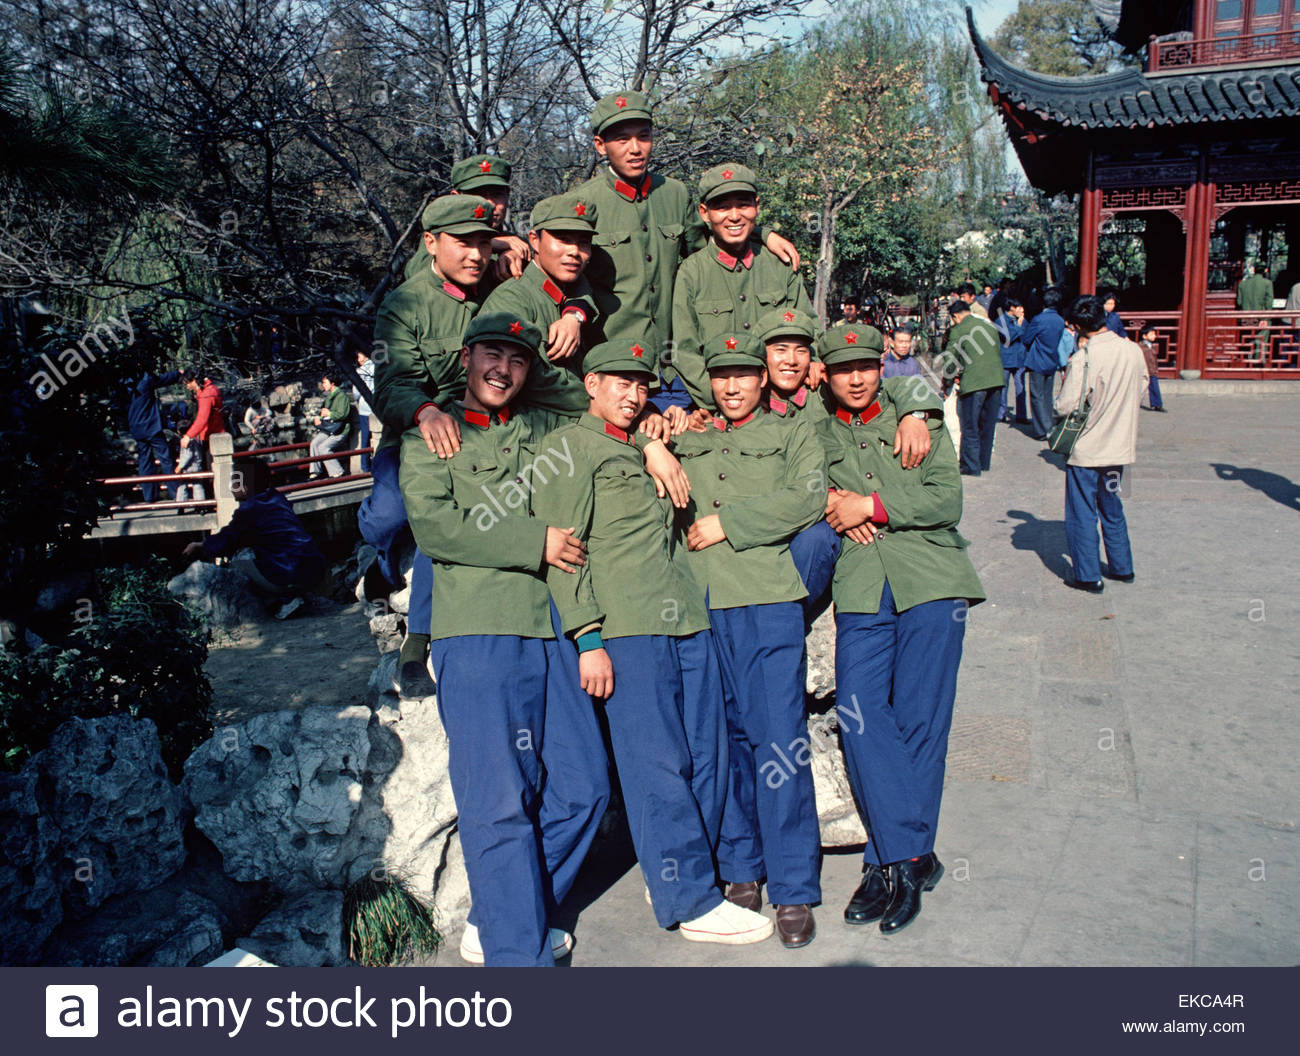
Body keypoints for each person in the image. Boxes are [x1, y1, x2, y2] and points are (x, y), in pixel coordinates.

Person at [534, 338, 775, 948]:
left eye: (641, 385)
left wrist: (651, 442)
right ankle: (688, 900)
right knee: (656, 767)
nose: (632, 393)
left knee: (707, 756)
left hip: (687, 618)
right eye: (619, 382)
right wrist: (588, 638)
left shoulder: (643, 444)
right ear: (590, 385)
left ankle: (687, 875)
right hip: (628, 625)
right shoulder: (569, 449)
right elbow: (564, 556)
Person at [397, 313, 612, 966]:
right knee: (498, 806)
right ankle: (520, 960)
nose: (503, 369)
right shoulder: (432, 437)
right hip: (478, 634)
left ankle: (503, 915)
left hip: (547, 629)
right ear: (465, 358)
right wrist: (533, 540)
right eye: (491, 354)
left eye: (518, 361)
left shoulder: (542, 432)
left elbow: (587, 396)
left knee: (585, 789)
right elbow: (439, 531)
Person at [815, 325, 984, 936]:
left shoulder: (920, 416)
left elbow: (946, 500)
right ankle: (913, 853)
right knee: (859, 711)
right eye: (842, 368)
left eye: (866, 365)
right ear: (824, 374)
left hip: (932, 576)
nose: (856, 378)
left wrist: (871, 505)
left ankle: (887, 866)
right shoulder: (816, 424)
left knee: (920, 720)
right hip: (862, 581)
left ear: (882, 364)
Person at [672, 332, 826, 949]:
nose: (732, 387)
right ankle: (741, 870)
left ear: (764, 379)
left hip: (764, 601)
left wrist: (727, 523)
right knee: (724, 741)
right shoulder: (689, 435)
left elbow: (808, 497)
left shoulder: (792, 432)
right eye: (720, 376)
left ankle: (792, 885)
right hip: (700, 605)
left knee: (779, 739)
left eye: (743, 375)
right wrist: (659, 447)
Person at [572, 90, 799, 408]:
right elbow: (565, 272)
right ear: (600, 145)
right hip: (616, 369)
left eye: (644, 136)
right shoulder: (584, 203)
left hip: (673, 372)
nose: (635, 149)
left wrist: (761, 233)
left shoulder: (675, 194)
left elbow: (712, 244)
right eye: (622, 139)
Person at [360, 193, 496, 699]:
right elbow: (392, 385)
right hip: (418, 430)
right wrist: (425, 410)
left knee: (445, 522)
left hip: (484, 437)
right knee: (392, 516)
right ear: (432, 244)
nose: (475, 255)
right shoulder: (405, 303)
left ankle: (417, 645)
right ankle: (378, 566)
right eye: (463, 243)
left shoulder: (499, 296)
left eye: (484, 243)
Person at [672, 163, 815, 408]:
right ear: (705, 213)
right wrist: (720, 399)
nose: (735, 215)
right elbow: (684, 353)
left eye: (743, 204)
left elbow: (809, 331)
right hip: (719, 408)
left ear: (757, 207)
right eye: (723, 207)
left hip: (783, 405)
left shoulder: (780, 264)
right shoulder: (691, 272)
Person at [1055, 295, 1146, 592]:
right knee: (1111, 506)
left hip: (1087, 449)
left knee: (1082, 511)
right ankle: (1122, 566)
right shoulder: (1132, 350)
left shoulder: (1085, 358)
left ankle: (1088, 574)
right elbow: (1142, 383)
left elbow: (1066, 405)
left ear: (1080, 326)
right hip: (1118, 446)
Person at [479, 191, 601, 410]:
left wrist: (575, 315)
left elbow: (583, 287)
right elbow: (534, 381)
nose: (574, 251)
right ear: (534, 240)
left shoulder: (570, 290)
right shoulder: (513, 298)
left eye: (583, 242)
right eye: (563, 239)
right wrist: (602, 405)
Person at [182, 457, 326, 599]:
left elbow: (226, 540)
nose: (231, 487)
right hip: (314, 570)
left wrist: (201, 546)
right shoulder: (278, 498)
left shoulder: (250, 509)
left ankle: (276, 602)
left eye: (234, 481)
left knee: (237, 565)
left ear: (245, 486)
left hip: (288, 573)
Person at [404, 153, 529, 284]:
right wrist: (491, 244)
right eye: (477, 195)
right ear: (455, 197)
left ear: (507, 196)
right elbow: (417, 273)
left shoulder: (514, 242)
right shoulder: (442, 236)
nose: (489, 204)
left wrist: (513, 254)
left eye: (497, 194)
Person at [941, 299, 1004, 476]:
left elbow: (950, 361)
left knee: (969, 425)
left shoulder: (959, 329)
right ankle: (984, 462)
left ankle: (971, 466)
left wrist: (947, 381)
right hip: (996, 381)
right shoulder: (989, 327)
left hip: (974, 383)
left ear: (955, 316)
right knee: (987, 424)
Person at [128, 365, 181, 501]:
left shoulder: (125, 383)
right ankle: (175, 494)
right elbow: (162, 379)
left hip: (136, 428)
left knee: (145, 462)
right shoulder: (146, 380)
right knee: (166, 458)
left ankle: (149, 496)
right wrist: (178, 373)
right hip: (151, 426)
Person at [1021, 288, 1066, 440]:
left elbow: (1027, 339)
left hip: (1037, 361)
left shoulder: (1039, 319)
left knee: (1036, 395)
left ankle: (1041, 429)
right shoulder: (1060, 320)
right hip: (1052, 360)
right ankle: (1049, 424)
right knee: (1047, 395)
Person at [176, 370, 226, 501]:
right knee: (215, 471)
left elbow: (202, 419)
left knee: (211, 471)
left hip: (211, 436)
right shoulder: (211, 390)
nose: (186, 386)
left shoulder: (206, 394)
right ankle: (215, 500)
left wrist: (188, 435)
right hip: (216, 433)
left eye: (187, 383)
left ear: (194, 381)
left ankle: (213, 501)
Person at [309, 372, 351, 479]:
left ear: (332, 383)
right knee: (314, 443)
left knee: (323, 448)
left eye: (325, 382)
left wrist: (329, 414)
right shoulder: (329, 397)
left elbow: (342, 414)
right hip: (329, 428)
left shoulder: (342, 396)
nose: (323, 385)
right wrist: (320, 418)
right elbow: (326, 413)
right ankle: (315, 471)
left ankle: (338, 472)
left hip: (340, 430)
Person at [997, 298, 1028, 423]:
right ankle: (1001, 413)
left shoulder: (1023, 320)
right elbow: (1007, 337)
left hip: (1020, 357)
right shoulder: (1000, 320)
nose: (1022, 310)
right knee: (1003, 387)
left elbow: (1028, 334)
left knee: (1020, 387)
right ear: (1012, 308)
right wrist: (1020, 327)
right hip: (1006, 357)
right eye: (1019, 307)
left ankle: (1021, 415)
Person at [1236, 263, 1275, 362]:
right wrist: (1266, 318)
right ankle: (1258, 364)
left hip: (1246, 318)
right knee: (1261, 341)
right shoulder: (1267, 283)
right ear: (1265, 270)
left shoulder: (1243, 284)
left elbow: (1239, 302)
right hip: (1261, 317)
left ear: (1253, 270)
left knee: (1248, 340)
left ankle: (1247, 361)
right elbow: (1269, 303)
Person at [352, 350, 376, 470]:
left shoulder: (359, 372)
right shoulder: (378, 368)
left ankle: (365, 466)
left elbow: (356, 393)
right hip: (377, 407)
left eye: (359, 356)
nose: (358, 359)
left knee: (365, 438)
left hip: (364, 408)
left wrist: (358, 401)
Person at [1137, 324, 1166, 412]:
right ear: (1144, 336)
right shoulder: (1139, 347)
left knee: (1155, 388)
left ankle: (1157, 404)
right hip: (1142, 371)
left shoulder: (1151, 346)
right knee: (1138, 388)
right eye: (1152, 334)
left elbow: (1153, 360)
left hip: (1152, 371)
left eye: (1154, 334)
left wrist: (1155, 369)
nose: (1154, 336)